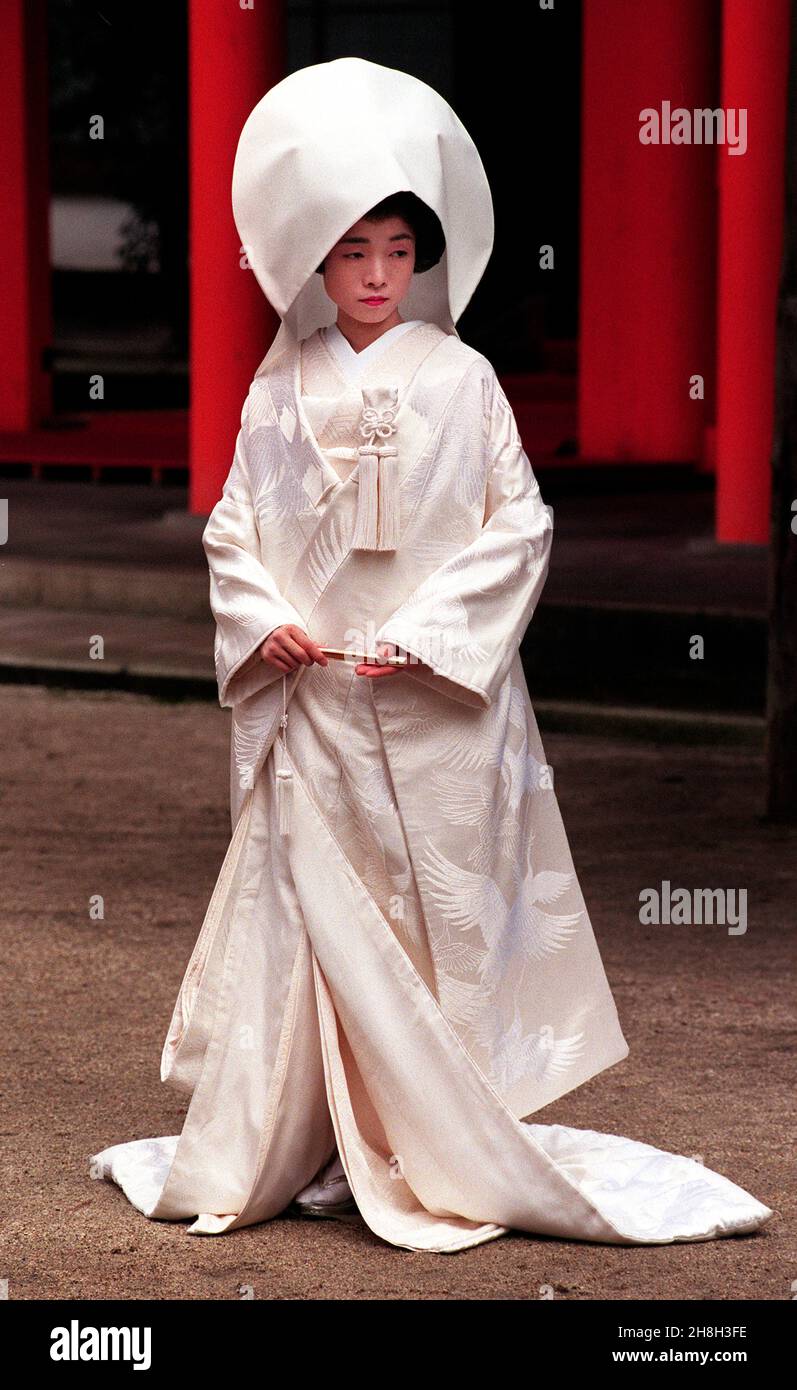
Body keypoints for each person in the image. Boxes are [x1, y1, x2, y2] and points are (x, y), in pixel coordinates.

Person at [90, 57, 773, 1253]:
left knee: (427, 918)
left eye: (395, 253)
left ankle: (418, 1136)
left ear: (422, 262)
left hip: (428, 698)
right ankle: (304, 1133)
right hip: (312, 691)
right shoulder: (275, 388)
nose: (371, 276)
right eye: (351, 252)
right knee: (309, 916)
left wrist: (429, 631)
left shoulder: (464, 380)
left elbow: (519, 522)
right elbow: (232, 526)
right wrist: (261, 620)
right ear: (318, 259)